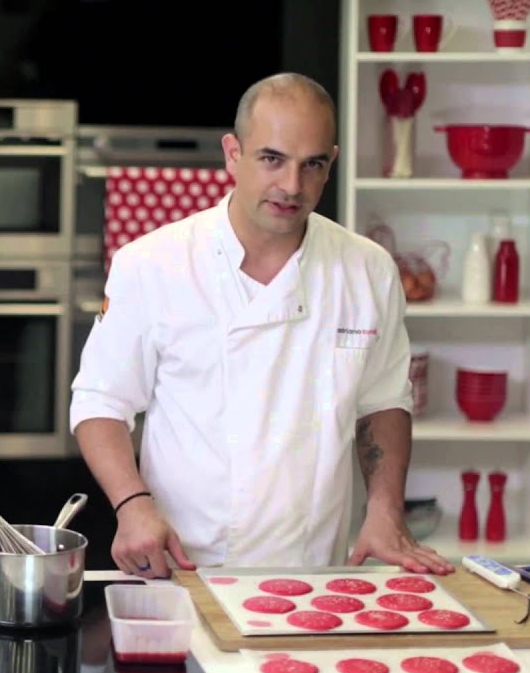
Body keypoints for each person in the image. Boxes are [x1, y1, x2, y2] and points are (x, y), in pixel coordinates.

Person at [69, 72, 454, 579]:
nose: (291, 187)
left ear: (330, 163)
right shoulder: (152, 263)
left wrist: (384, 510)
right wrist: (132, 504)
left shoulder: (368, 269)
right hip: (182, 564)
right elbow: (101, 400)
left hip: (314, 573)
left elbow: (383, 401)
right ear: (233, 154)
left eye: (311, 165)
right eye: (272, 159)